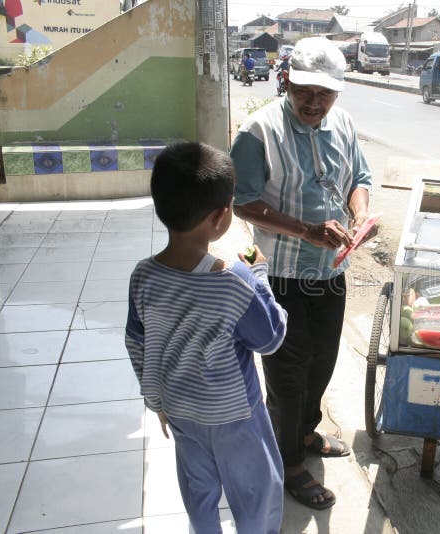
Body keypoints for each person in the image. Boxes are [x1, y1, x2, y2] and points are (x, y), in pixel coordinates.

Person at [230, 36, 373, 510]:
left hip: (331, 273)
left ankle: (305, 432)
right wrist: (305, 231)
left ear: (338, 92)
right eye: (305, 91)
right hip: (283, 277)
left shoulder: (344, 122)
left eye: (325, 94)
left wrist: (361, 214)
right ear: (286, 81)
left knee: (322, 363)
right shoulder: (259, 130)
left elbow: (360, 180)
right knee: (287, 378)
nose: (314, 103)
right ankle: (290, 462)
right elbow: (242, 202)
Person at [125, 142, 287, 534]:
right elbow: (270, 338)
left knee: (199, 490)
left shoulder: (143, 276)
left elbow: (137, 344)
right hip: (235, 417)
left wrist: (156, 401)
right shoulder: (235, 282)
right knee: (256, 493)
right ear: (222, 216)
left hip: (181, 410)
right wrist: (260, 278)